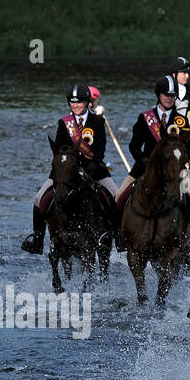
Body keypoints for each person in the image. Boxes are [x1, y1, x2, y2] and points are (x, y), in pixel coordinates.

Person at [22, 85, 120, 254]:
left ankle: (118, 238)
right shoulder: (64, 123)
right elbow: (59, 149)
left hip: (94, 169)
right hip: (66, 170)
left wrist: (92, 166)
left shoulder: (97, 121)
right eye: (72, 103)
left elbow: (101, 149)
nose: (75, 106)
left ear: (87, 102)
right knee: (39, 199)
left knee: (116, 196)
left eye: (79, 102)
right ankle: (37, 241)